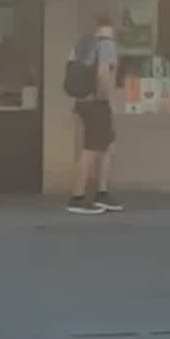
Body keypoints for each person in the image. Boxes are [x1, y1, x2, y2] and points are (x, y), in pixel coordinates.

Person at [64, 16, 123, 214]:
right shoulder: (107, 45)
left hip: (81, 101)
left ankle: (102, 192)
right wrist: (106, 99)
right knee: (91, 148)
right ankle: (77, 197)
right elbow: (103, 75)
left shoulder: (82, 44)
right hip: (97, 102)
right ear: (111, 28)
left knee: (106, 144)